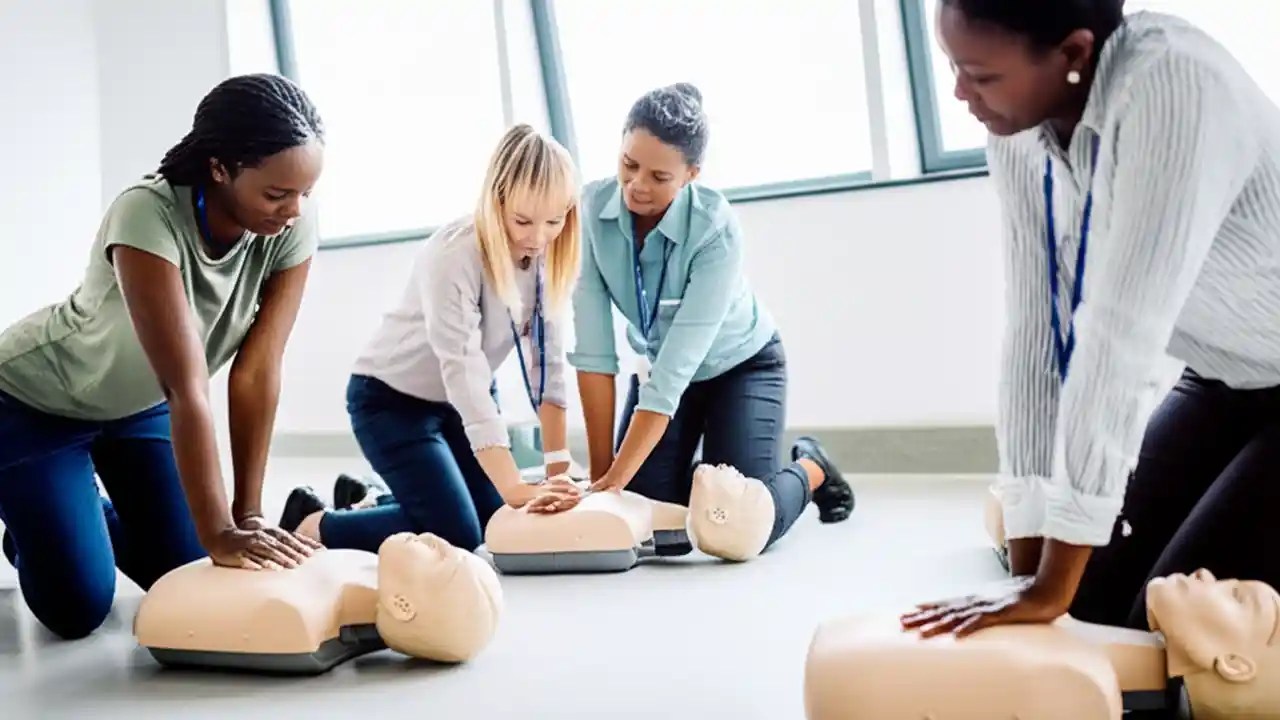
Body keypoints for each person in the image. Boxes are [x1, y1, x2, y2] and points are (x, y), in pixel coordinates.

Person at [902, 0, 1280, 638]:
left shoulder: (1173, 88)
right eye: (953, 67)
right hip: (1228, 377)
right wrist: (1029, 579)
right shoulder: (1021, 126)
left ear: (1074, 54)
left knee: (1163, 632)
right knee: (1088, 609)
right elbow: (1036, 333)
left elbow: (1117, 341)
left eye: (981, 75)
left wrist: (1050, 584)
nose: (961, 93)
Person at [0, 73, 326, 640]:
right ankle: (39, 519)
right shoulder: (145, 213)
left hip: (137, 407)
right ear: (220, 168)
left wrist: (244, 515)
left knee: (187, 572)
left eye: (305, 193)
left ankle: (61, 517)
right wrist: (218, 528)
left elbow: (256, 371)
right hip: (33, 404)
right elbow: (187, 386)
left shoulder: (290, 226)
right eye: (277, 194)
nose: (293, 210)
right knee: (78, 608)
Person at [569, 83, 855, 555]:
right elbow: (595, 355)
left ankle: (811, 467)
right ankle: (697, 470)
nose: (638, 185)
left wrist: (617, 477)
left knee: (738, 525)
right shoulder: (592, 213)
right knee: (653, 529)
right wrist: (605, 481)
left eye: (660, 176)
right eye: (629, 164)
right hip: (662, 371)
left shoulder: (714, 229)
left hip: (741, 366)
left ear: (691, 175)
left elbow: (673, 376)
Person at [278, 124, 584, 553]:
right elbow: (463, 373)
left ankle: (368, 499)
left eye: (554, 221)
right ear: (496, 199)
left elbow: (548, 366)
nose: (537, 237)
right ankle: (311, 522)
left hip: (457, 404)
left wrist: (557, 471)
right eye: (523, 220)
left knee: (494, 516)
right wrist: (516, 487)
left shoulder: (548, 252)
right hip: (390, 401)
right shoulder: (453, 254)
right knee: (459, 533)